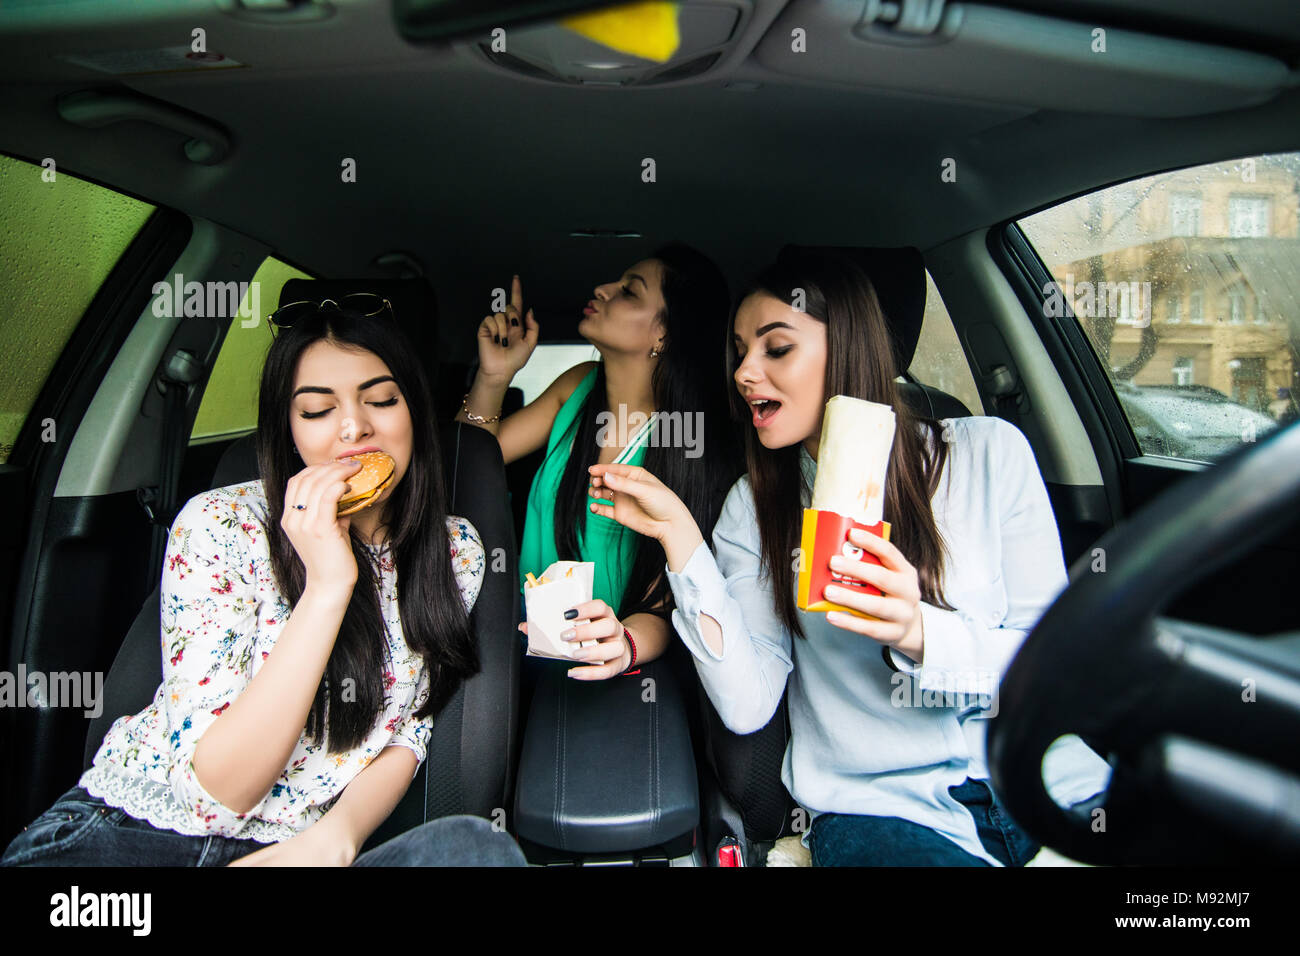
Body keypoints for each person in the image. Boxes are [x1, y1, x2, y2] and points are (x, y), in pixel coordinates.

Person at [586, 249, 1113, 866]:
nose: (744, 371)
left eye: (775, 348)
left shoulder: (990, 455)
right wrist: (682, 540)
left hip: (1053, 781)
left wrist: (921, 634)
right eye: (740, 351)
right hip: (885, 810)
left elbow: (1055, 666)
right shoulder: (752, 507)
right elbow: (747, 703)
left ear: (849, 350)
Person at [1, 295, 526, 867]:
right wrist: (328, 586)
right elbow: (218, 801)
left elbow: (408, 729)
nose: (355, 427)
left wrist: (336, 839)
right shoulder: (221, 524)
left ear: (415, 415)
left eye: (380, 399)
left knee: (476, 851)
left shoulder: (456, 551)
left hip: (296, 852)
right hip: (138, 837)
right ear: (289, 431)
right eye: (317, 410)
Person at [455, 244, 742, 680]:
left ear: (663, 333)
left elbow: (666, 606)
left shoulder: (687, 445)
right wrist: (494, 377)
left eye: (629, 291)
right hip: (517, 644)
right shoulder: (576, 389)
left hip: (614, 664)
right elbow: (466, 463)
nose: (602, 289)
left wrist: (619, 645)